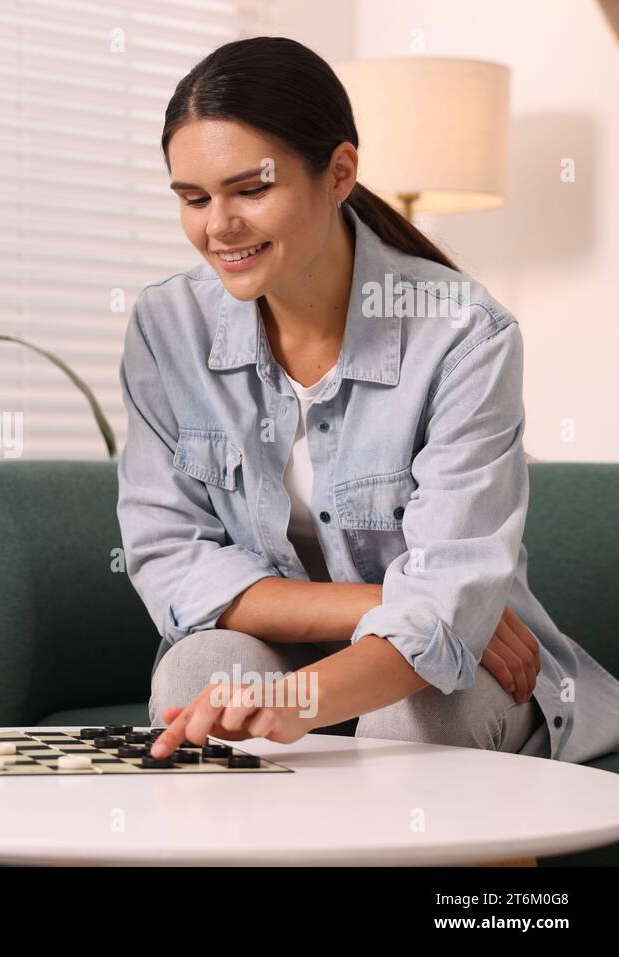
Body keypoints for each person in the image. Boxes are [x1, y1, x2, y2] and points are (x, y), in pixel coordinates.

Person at [118, 36, 619, 764]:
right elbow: (170, 560)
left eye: (250, 189)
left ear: (339, 173)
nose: (217, 226)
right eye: (193, 199)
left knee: (414, 722)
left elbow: (445, 609)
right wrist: (378, 600)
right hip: (293, 646)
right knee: (196, 670)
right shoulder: (168, 328)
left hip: (443, 670)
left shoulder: (463, 335)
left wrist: (306, 696)